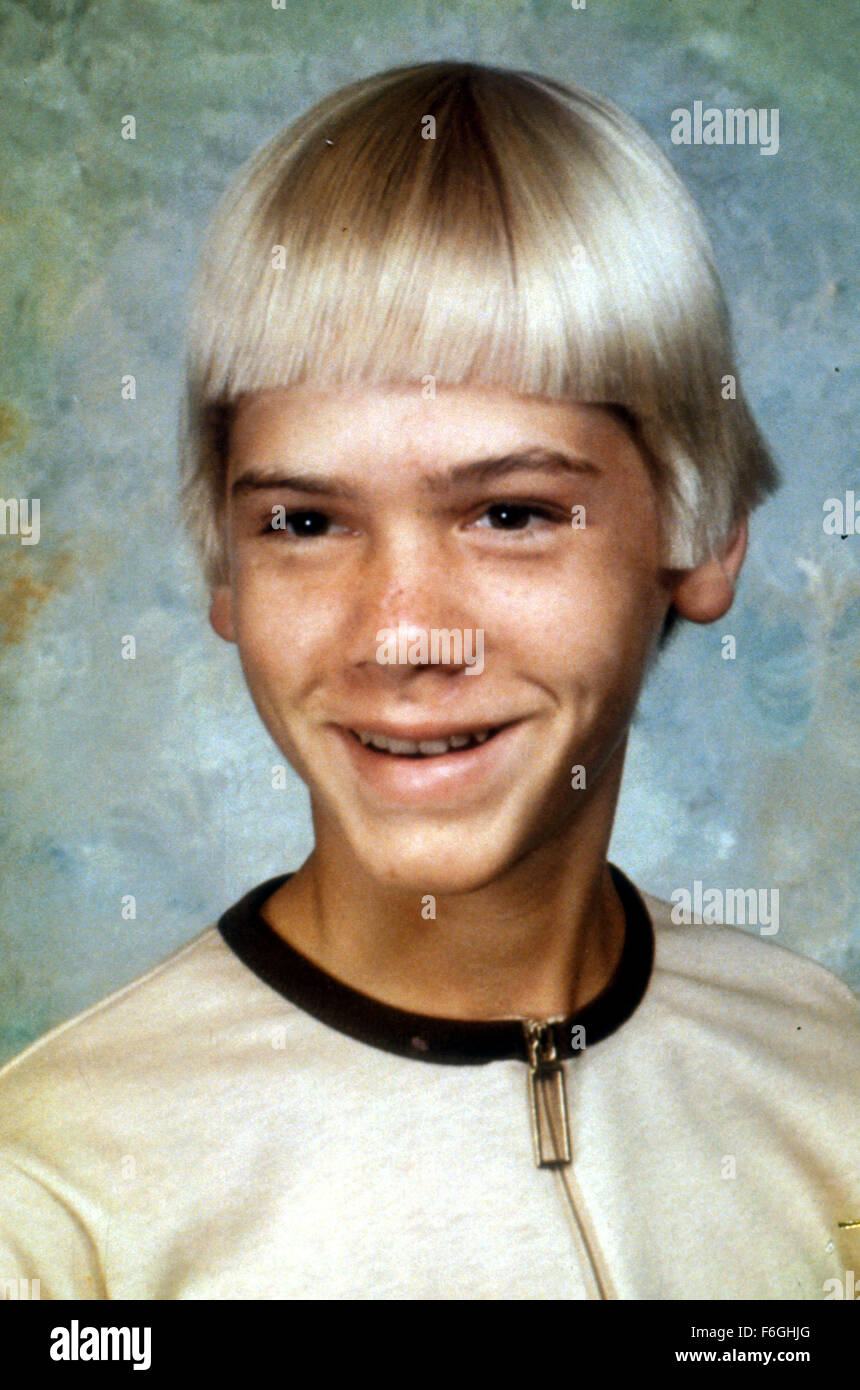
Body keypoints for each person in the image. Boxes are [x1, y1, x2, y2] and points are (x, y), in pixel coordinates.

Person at [1, 61, 857, 1301]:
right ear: (224, 570)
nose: (402, 636)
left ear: (703, 528)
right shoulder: (58, 1208)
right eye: (304, 523)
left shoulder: (826, 1083)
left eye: (508, 512)